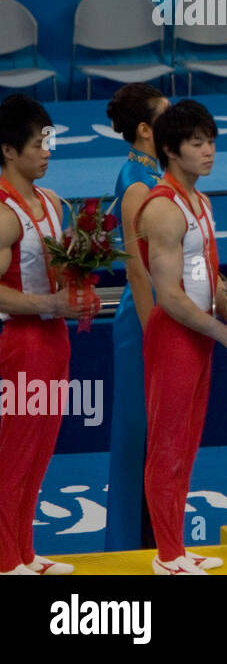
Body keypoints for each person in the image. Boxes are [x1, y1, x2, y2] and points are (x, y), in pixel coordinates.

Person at [136, 100, 227, 575]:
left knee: (187, 445)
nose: (209, 151)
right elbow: (168, 297)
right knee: (167, 445)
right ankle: (166, 556)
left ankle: (177, 546)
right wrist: (221, 333)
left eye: (211, 141)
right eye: (197, 143)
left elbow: (208, 277)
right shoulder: (162, 209)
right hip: (176, 335)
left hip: (199, 330)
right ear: (169, 150)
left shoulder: (200, 202)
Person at [0, 95, 92, 575]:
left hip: (56, 339)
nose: (47, 151)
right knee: (14, 452)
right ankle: (3, 558)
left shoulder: (54, 203)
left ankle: (26, 552)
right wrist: (48, 305)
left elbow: (66, 269)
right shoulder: (3, 213)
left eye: (49, 141)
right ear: (9, 151)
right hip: (23, 342)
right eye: (38, 144)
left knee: (40, 451)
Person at [104, 83, 168, 553]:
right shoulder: (139, 182)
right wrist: (155, 332)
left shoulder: (147, 174)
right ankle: (133, 544)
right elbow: (134, 264)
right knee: (139, 436)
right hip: (143, 321)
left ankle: (157, 539)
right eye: (166, 116)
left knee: (160, 434)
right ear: (145, 129)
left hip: (155, 314)